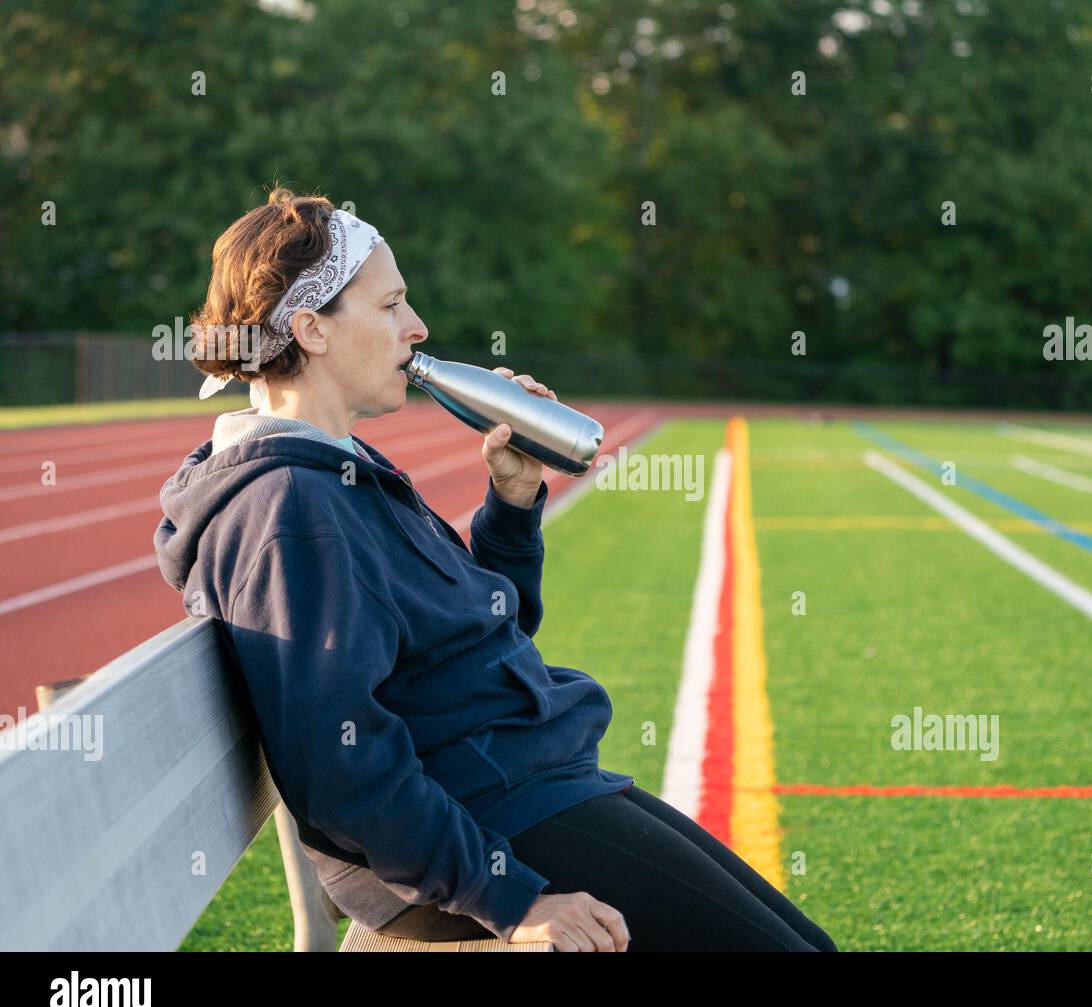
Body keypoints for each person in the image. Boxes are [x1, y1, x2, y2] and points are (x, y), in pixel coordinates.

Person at [154, 187, 838, 952]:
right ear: (311, 328)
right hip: (493, 817)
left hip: (529, 784)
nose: (416, 328)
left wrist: (512, 504)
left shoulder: (334, 467)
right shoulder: (288, 505)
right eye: (390, 306)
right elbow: (339, 763)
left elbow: (475, 642)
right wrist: (509, 899)